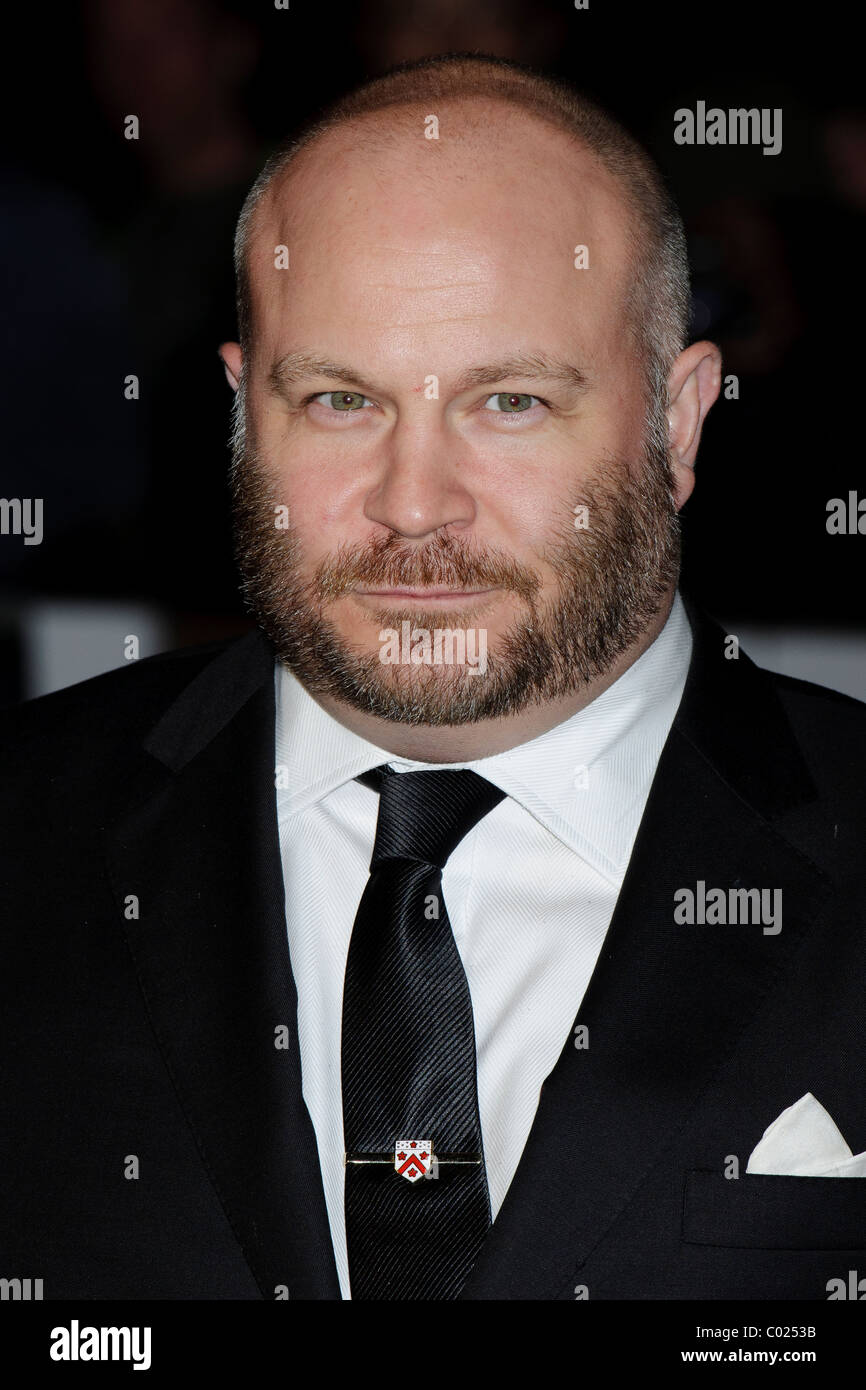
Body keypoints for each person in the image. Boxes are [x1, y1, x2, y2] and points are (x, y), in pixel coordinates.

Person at [2, 54, 865, 1302]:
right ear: (247, 411)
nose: (414, 504)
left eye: (507, 401)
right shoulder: (23, 835)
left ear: (676, 423)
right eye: (340, 400)